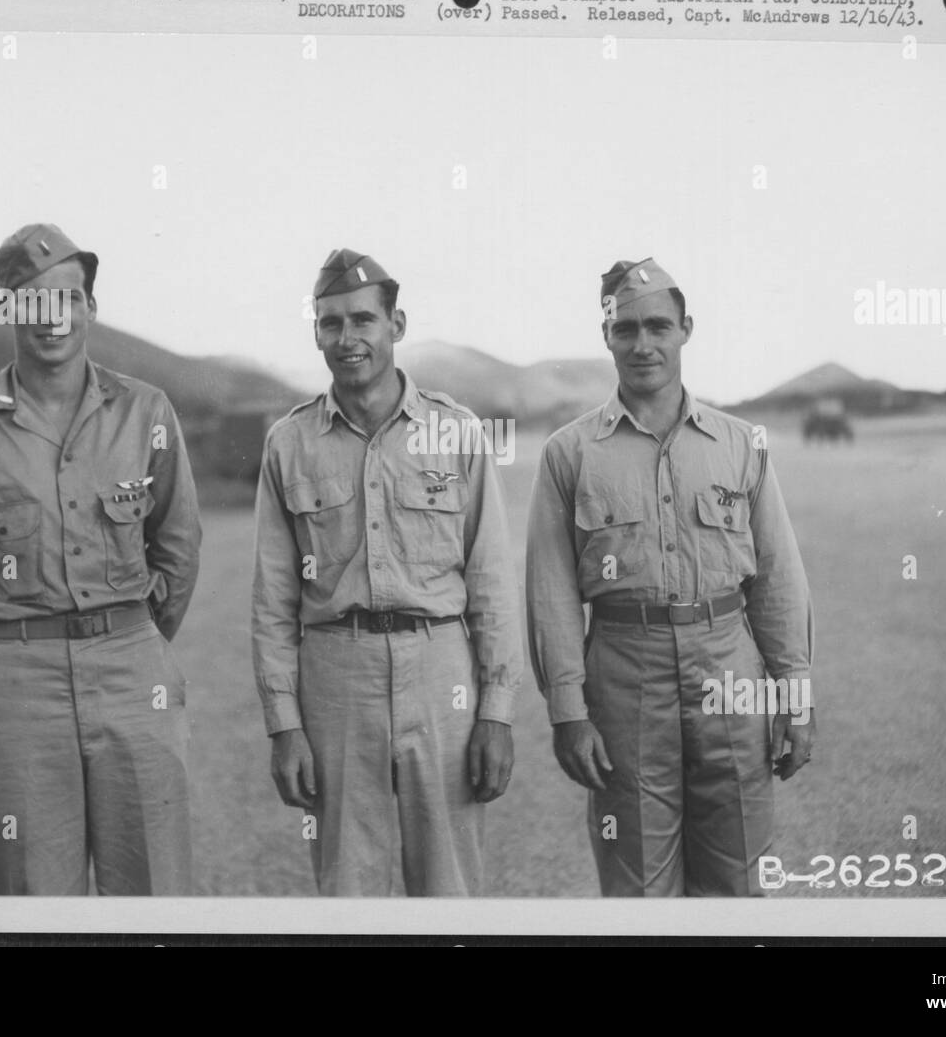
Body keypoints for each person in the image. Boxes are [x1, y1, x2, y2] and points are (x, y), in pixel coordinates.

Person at [0, 223, 202, 895]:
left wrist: (133, 640)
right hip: (20, 684)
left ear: (90, 308)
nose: (53, 317)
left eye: (68, 299)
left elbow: (178, 543)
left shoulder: (146, 411)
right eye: (33, 301)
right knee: (35, 899)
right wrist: (8, 654)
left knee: (153, 891)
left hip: (133, 671)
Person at [525, 257, 815, 897]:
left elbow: (776, 578)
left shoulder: (742, 444)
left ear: (687, 329)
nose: (642, 344)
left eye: (658, 326)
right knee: (638, 887)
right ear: (606, 337)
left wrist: (794, 695)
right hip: (625, 674)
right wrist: (568, 712)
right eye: (625, 329)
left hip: (729, 667)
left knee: (741, 879)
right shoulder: (569, 454)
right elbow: (550, 596)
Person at [251, 248, 522, 896]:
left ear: (396, 325)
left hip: (440, 673)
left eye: (363, 320)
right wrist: (283, 724)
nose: (347, 339)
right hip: (336, 678)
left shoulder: (455, 432)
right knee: (349, 894)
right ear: (316, 331)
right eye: (330, 323)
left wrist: (497, 711)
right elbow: (272, 599)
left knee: (448, 889)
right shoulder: (289, 443)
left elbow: (491, 582)